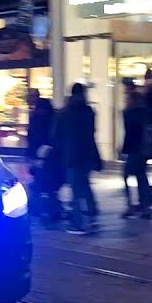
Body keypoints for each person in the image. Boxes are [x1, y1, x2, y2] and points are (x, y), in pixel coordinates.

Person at [55, 82, 102, 235]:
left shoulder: (65, 112)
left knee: (75, 188)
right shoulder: (89, 111)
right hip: (87, 154)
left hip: (72, 154)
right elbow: (91, 133)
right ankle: (92, 213)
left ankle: (77, 222)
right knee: (85, 184)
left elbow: (56, 134)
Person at [26, 90, 63, 227]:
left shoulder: (39, 118)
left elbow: (35, 137)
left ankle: (43, 211)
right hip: (46, 157)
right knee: (45, 186)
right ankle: (49, 211)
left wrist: (33, 155)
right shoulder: (48, 117)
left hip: (43, 156)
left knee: (41, 185)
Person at [121, 89, 152, 218]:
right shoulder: (144, 113)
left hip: (135, 150)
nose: (125, 101)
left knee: (126, 176)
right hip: (142, 150)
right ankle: (145, 204)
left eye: (127, 99)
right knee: (141, 176)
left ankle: (132, 205)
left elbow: (130, 132)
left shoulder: (131, 114)